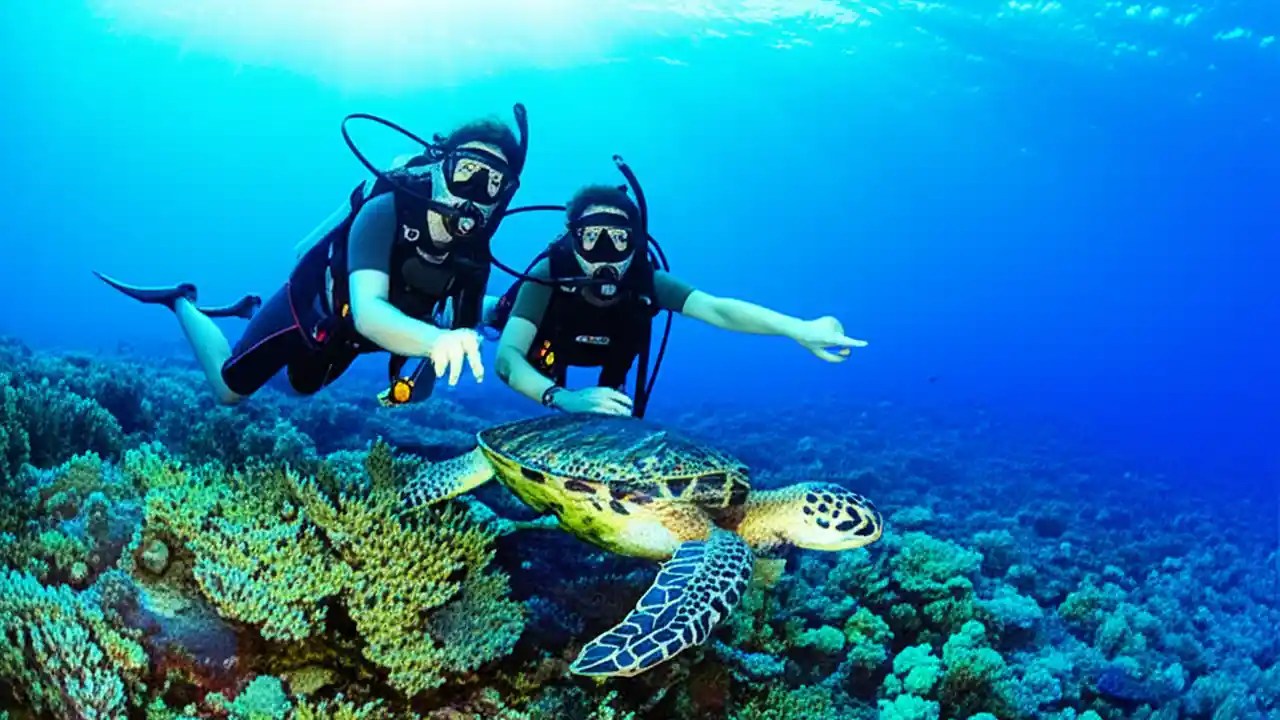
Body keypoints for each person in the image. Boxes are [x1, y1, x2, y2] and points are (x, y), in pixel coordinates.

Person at [95, 108, 529, 406]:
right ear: (438, 170)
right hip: (311, 306)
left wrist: (417, 381)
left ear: (503, 199)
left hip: (345, 336)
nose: (475, 194)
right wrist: (437, 342)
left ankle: (249, 312)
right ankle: (181, 300)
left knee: (301, 388)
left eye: (493, 184)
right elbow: (372, 314)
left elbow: (461, 333)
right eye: (466, 173)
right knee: (231, 392)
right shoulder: (386, 209)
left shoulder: (473, 258)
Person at [492, 183, 867, 417]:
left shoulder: (647, 281)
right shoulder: (548, 274)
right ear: (573, 239)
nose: (605, 252)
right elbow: (507, 359)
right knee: (494, 315)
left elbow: (718, 309)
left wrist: (798, 329)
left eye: (619, 239)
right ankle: (458, 311)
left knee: (612, 412)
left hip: (608, 356)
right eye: (592, 237)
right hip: (546, 340)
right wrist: (561, 397)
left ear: (635, 243)